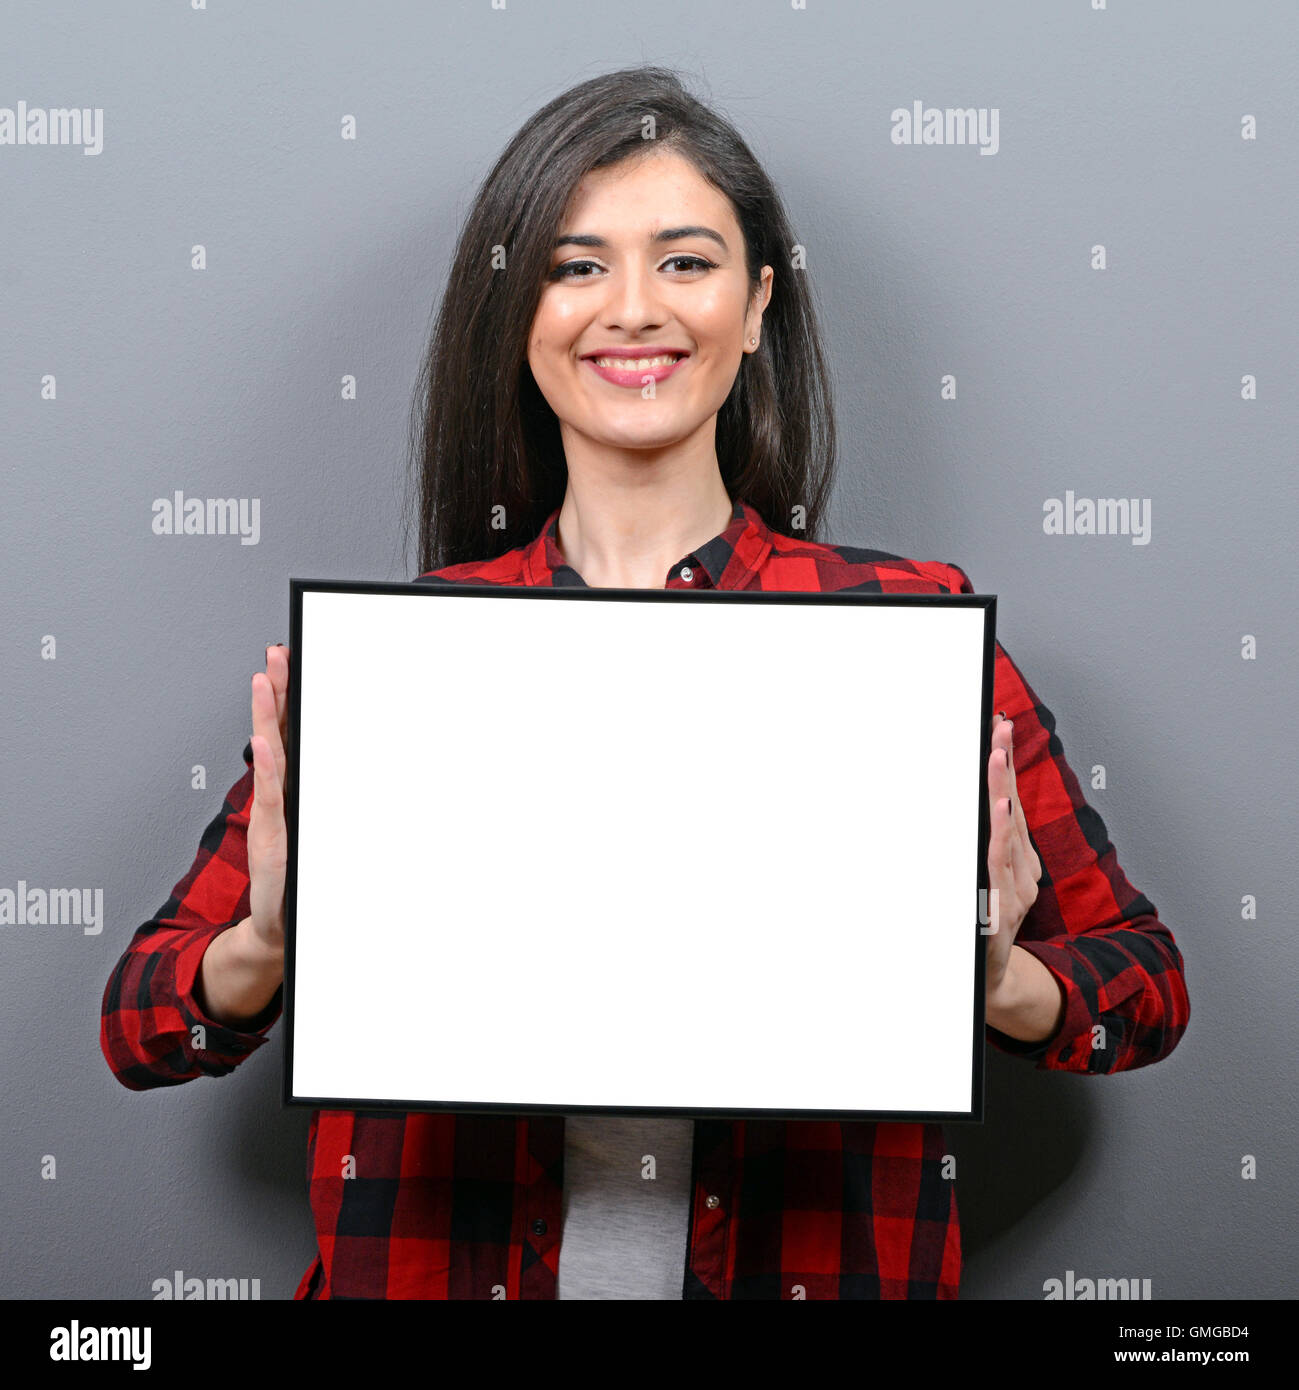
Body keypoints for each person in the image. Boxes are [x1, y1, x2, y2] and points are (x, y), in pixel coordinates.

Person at [99, 65, 1189, 1300]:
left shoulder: (909, 635)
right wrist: (270, 943)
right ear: (518, 311)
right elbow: (142, 1024)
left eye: (685, 261)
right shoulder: (408, 662)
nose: (633, 309)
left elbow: (1142, 990)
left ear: (758, 302)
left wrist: (999, 982)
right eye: (576, 266)